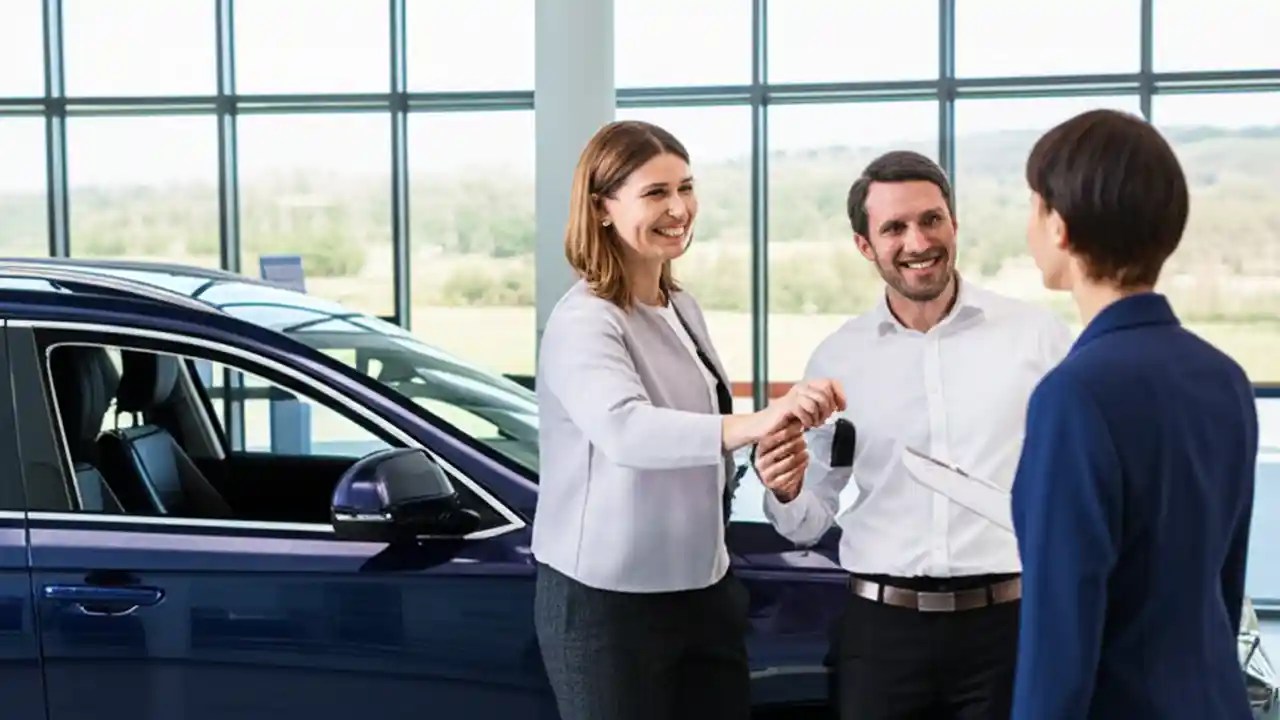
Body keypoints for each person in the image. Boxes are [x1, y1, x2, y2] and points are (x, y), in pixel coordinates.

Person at [532, 119, 845, 720]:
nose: (679, 208)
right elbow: (628, 429)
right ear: (601, 208)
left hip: (702, 590)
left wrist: (770, 450)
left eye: (685, 187)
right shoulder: (586, 321)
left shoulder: (680, 305)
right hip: (609, 607)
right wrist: (755, 422)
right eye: (655, 193)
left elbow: (702, 435)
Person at [753, 150, 1073, 719]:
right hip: (882, 636)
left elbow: (1078, 483)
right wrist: (784, 488)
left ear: (954, 223)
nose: (918, 241)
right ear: (864, 245)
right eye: (894, 228)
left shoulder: (1036, 339)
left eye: (931, 220)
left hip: (1009, 628)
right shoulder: (838, 358)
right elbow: (808, 519)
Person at [1010, 109, 1259, 718]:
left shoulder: (1074, 396)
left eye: (1034, 204)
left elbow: (1060, 637)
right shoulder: (1224, 377)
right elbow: (1223, 593)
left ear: (1060, 227)